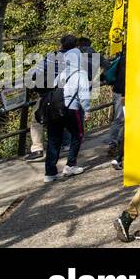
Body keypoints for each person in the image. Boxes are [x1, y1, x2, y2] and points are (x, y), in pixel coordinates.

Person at [45, 34, 91, 182]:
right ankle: (70, 165)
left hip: (56, 108)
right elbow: (83, 94)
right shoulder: (81, 73)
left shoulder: (62, 73)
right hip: (72, 108)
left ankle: (50, 173)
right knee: (77, 135)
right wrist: (87, 109)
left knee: (54, 139)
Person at [104, 46, 127, 169]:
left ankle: (114, 146)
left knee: (120, 120)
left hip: (119, 92)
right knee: (126, 123)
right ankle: (118, 153)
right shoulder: (138, 59)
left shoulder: (122, 58)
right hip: (127, 93)